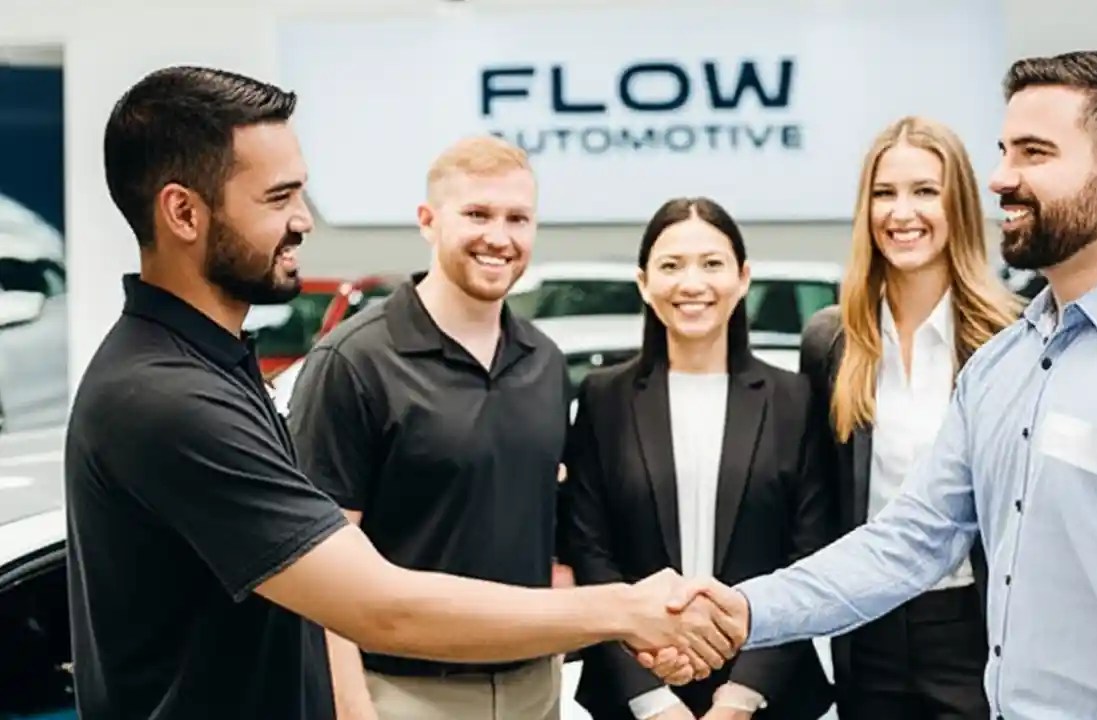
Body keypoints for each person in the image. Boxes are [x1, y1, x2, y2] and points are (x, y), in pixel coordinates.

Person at [62, 65, 743, 720]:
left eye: (301, 194)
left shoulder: (213, 368)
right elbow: (379, 606)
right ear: (183, 212)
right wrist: (624, 609)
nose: (304, 221)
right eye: (278, 197)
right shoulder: (167, 399)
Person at [650, 49, 1097, 718]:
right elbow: (910, 540)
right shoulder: (1001, 366)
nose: (1001, 178)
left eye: (1035, 153)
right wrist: (745, 609)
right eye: (1004, 151)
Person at [285, 134, 572, 720]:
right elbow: (317, 566)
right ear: (428, 221)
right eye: (477, 214)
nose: (500, 236)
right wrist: (350, 705)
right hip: (401, 694)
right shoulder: (354, 362)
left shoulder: (545, 362)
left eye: (518, 217)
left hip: (533, 690)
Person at [560, 197, 835, 720]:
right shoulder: (605, 399)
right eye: (671, 266)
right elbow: (590, 552)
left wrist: (738, 700)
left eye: (712, 264)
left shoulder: (794, 400)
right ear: (644, 283)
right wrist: (653, 701)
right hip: (634, 698)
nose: (692, 284)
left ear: (743, 276)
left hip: (770, 698)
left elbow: (808, 557)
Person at [799, 116, 1022, 719]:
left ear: (958, 205)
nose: (902, 213)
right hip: (867, 629)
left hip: (975, 630)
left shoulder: (1010, 338)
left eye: (925, 191)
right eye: (884, 193)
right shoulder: (832, 341)